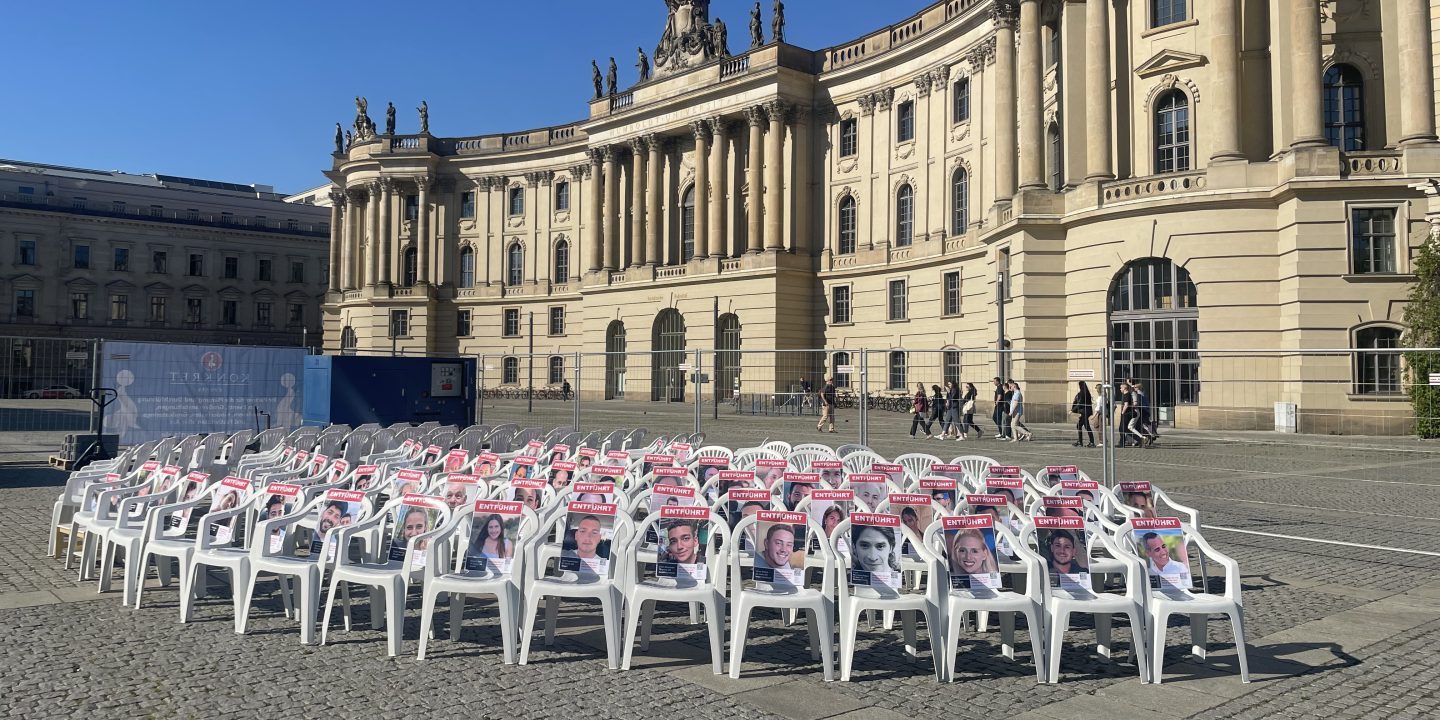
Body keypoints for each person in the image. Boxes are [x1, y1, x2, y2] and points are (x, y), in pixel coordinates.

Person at [1130, 380, 1159, 448]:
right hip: (1145, 411)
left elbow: (1138, 403)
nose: (1134, 388)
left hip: (1143, 411)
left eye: (1135, 387)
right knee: (1141, 425)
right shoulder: (1143, 393)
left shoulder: (1139, 394)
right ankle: (1144, 438)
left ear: (1138, 388)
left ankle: (1150, 436)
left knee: (1142, 426)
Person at [1072, 380, 1095, 447]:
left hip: (1084, 412)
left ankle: (1091, 442)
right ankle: (1081, 441)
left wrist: (1073, 410)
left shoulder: (1083, 393)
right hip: (1086, 412)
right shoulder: (1087, 393)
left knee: (1086, 427)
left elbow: (1080, 403)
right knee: (1080, 425)